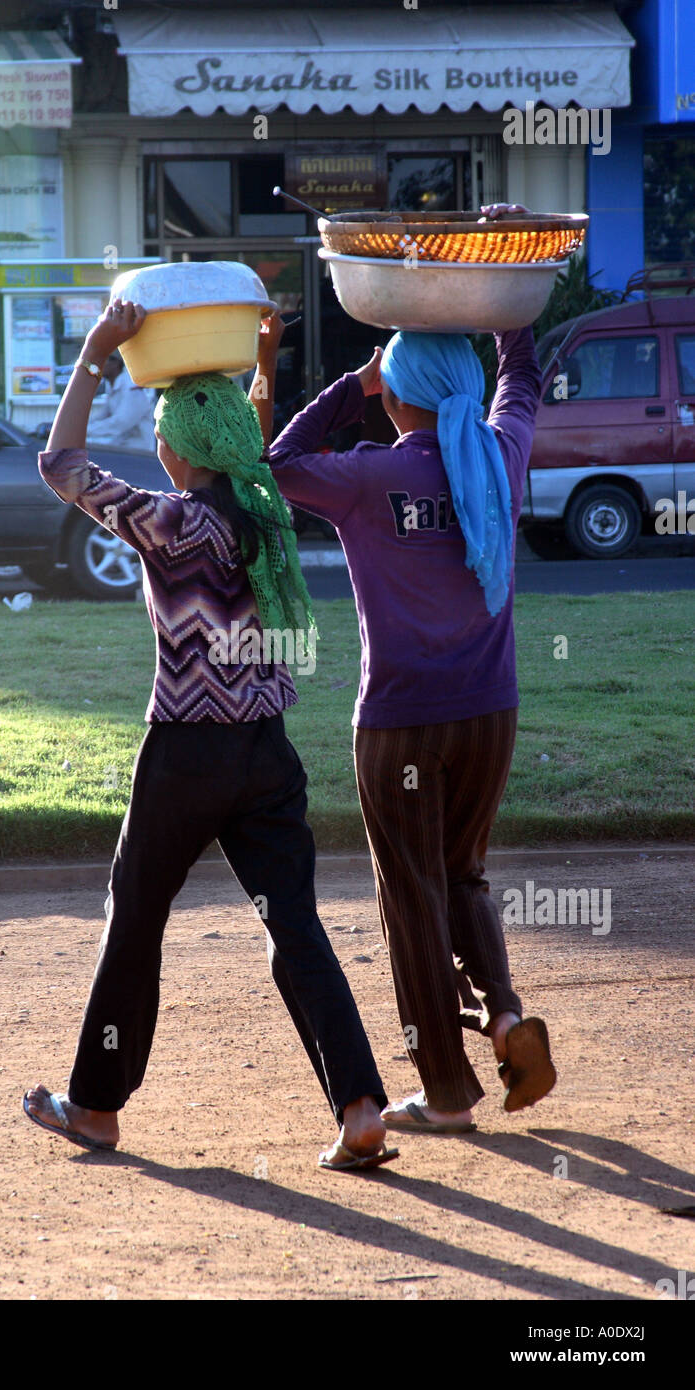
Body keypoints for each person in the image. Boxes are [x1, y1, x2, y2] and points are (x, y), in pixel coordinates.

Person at [23, 298, 397, 1172]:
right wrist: (263, 359)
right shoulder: (262, 513)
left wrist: (95, 351)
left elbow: (60, 462)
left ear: (181, 450)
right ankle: (361, 1110)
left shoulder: (168, 523)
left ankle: (98, 1109)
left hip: (185, 754)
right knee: (295, 929)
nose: (158, 446)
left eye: (164, 436)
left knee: (136, 922)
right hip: (268, 753)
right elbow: (252, 447)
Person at [250, 287, 556, 1136]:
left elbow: (271, 466)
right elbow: (522, 375)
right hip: (490, 711)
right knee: (463, 873)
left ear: (395, 389)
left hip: (398, 722)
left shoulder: (367, 477)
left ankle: (449, 1093)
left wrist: (352, 387)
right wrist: (509, 299)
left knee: (411, 896)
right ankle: (500, 1015)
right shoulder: (500, 454)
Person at [85, 352, 157, 451]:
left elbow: (119, 423)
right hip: (122, 447)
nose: (98, 366)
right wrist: (80, 426)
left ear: (116, 363)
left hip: (139, 453)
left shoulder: (131, 387)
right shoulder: (112, 385)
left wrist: (85, 430)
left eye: (102, 361)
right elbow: (103, 416)